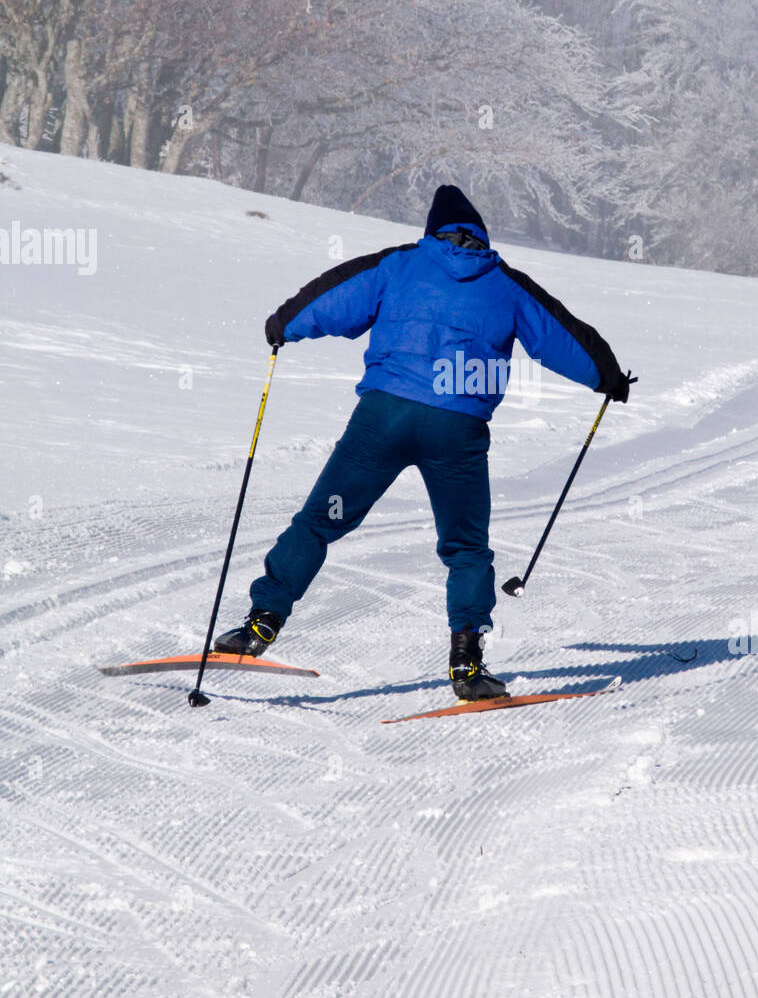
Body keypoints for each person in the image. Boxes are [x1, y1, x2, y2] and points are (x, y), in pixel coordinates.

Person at [215, 184, 630, 700]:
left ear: (433, 230)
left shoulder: (399, 265)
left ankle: (260, 623)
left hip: (383, 420)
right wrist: (607, 377)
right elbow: (562, 336)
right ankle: (467, 662)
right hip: (455, 433)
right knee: (465, 548)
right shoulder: (506, 284)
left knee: (320, 522)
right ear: (480, 234)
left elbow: (332, 298)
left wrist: (284, 325)